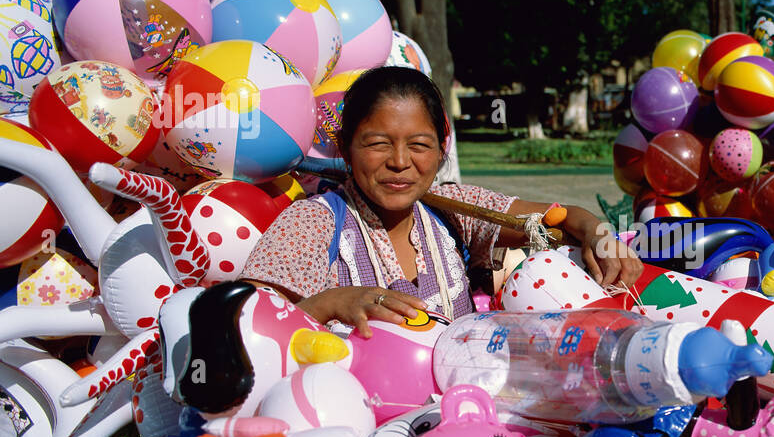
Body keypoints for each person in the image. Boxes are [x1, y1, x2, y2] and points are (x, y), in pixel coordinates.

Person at [242, 66, 641, 336]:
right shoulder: (314, 223)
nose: (400, 162)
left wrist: (596, 229)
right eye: (378, 144)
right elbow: (244, 328)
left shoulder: (451, 208)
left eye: (419, 145)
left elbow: (559, 217)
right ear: (346, 150)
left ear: (439, 152)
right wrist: (331, 303)